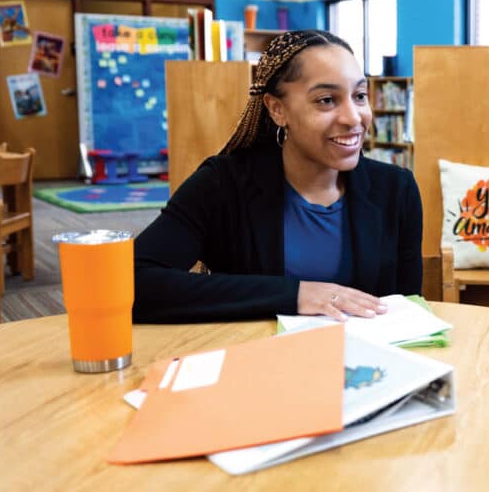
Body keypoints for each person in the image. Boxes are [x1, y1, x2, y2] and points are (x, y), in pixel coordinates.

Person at [133, 30, 423, 323]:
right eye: (326, 100)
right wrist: (294, 295)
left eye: (359, 96)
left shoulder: (396, 190)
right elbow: (134, 281)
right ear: (277, 109)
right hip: (253, 359)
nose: (353, 118)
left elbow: (406, 311)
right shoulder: (223, 184)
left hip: (365, 365)